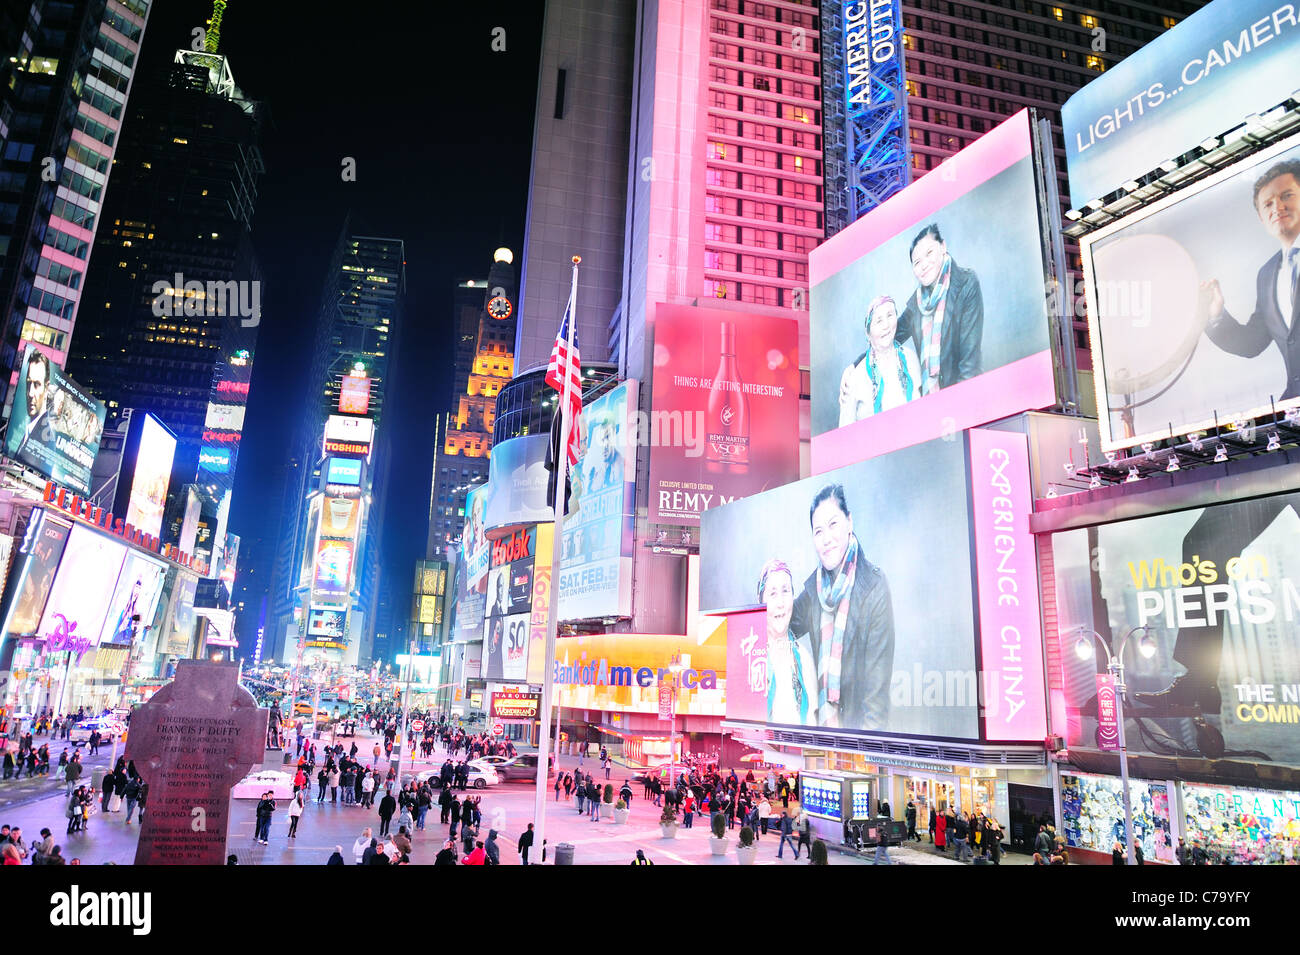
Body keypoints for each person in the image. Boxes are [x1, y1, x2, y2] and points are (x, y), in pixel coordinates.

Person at [788, 484, 895, 730]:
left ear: (850, 522)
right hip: (823, 734)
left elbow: (875, 697)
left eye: (833, 524)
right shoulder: (814, 590)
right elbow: (782, 625)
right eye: (818, 531)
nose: (827, 539)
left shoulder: (873, 587)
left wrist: (863, 758)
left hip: (858, 741)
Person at [1199, 160, 1300, 401]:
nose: (1278, 207)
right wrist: (1216, 314)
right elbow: (1251, 343)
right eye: (1267, 204)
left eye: (1287, 195)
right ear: (1261, 218)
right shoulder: (1267, 275)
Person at [893, 223, 984, 395]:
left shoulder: (966, 283)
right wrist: (853, 368)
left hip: (962, 401)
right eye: (917, 262)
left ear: (943, 247)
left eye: (929, 253)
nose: (924, 265)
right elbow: (887, 338)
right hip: (929, 404)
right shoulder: (916, 303)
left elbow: (969, 364)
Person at [839, 295, 922, 425]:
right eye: (878, 321)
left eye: (890, 315)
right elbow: (843, 435)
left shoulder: (911, 359)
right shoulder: (854, 378)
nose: (886, 325)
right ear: (868, 333)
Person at [757, 560, 817, 725]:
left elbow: (814, 721)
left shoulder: (804, 659)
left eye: (786, 591)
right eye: (773, 594)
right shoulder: (751, 656)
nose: (781, 604)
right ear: (760, 601)